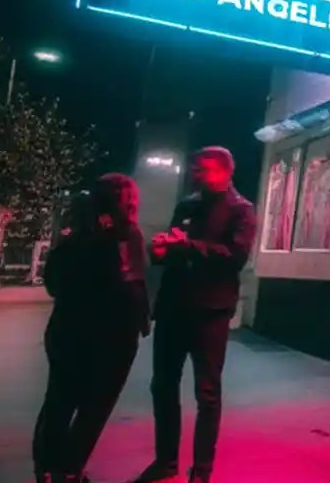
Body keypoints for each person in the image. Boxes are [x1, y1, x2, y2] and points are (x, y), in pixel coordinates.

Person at [133, 147, 256, 483]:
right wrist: (161, 251)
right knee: (163, 386)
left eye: (202, 169)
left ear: (224, 171)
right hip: (174, 308)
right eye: (195, 168)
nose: (194, 174)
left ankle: (201, 471)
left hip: (210, 313)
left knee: (207, 393)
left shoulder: (241, 210)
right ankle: (166, 461)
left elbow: (234, 257)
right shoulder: (187, 204)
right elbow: (174, 247)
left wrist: (187, 247)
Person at [34, 174, 150, 483]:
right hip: (112, 334)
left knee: (60, 399)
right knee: (95, 406)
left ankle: (48, 467)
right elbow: (130, 284)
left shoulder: (74, 234)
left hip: (67, 329)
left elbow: (54, 284)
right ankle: (69, 469)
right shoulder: (124, 236)